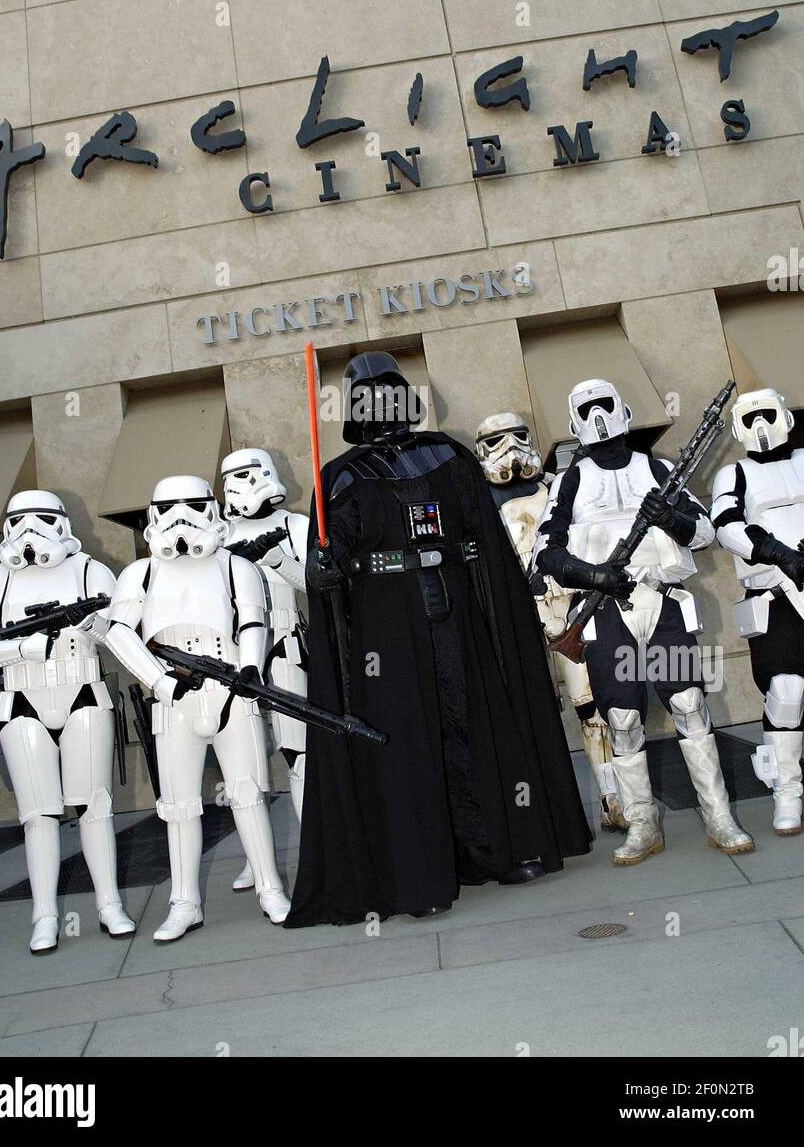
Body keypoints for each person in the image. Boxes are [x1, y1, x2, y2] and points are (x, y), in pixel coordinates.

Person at [284, 351, 592, 928]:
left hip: (459, 612)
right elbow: (330, 566)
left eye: (390, 389)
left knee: (478, 721)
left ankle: (505, 848)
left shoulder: (450, 456)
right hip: (387, 630)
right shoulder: (343, 477)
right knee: (407, 744)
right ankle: (420, 875)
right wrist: (323, 568)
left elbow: (485, 538)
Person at [532, 378, 754, 866]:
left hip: (664, 600)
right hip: (606, 613)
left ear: (623, 410)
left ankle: (718, 815)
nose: (596, 417)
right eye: (585, 408)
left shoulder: (658, 468)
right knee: (623, 720)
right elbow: (544, 553)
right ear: (573, 421)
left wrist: (669, 518)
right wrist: (594, 575)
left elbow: (704, 533)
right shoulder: (569, 480)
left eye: (602, 405)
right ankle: (641, 822)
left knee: (690, 706)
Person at [85, 475, 291, 941]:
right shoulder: (140, 574)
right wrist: (158, 681)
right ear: (154, 516)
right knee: (178, 807)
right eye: (171, 508)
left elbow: (253, 620)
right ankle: (184, 902)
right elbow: (119, 632)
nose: (183, 519)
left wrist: (251, 669)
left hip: (230, 687)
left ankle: (269, 888)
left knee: (248, 793)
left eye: (193, 506)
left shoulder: (236, 567)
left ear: (211, 508)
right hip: (173, 698)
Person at [0, 491, 135, 954]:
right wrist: (23, 648)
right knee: (38, 817)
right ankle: (44, 916)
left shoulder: (89, 571)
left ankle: (108, 904)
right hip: (22, 702)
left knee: (95, 807)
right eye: (18, 520)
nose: (29, 530)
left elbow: (123, 636)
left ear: (60, 523)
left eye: (40, 519)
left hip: (83, 694)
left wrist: (96, 627)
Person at [475, 412, 625, 832]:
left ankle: (612, 796)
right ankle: (540, 816)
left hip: (567, 609)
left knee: (590, 706)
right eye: (495, 440)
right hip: (515, 618)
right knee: (526, 714)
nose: (510, 448)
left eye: (518, 436)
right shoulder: (479, 505)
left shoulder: (556, 488)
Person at [711, 387, 804, 835]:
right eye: (750, 419)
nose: (761, 426)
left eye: (768, 414)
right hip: (775, 596)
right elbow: (725, 524)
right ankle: (787, 792)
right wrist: (775, 551)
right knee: (785, 692)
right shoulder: (736, 474)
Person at [221, 447, 310, 892]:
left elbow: (319, 581)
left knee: (299, 753)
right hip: (236, 654)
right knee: (245, 766)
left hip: (287, 642)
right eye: (231, 477)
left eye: (247, 474)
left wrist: (279, 562)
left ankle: (314, 847)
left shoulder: (295, 525)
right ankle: (256, 859)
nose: (239, 484)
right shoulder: (216, 534)